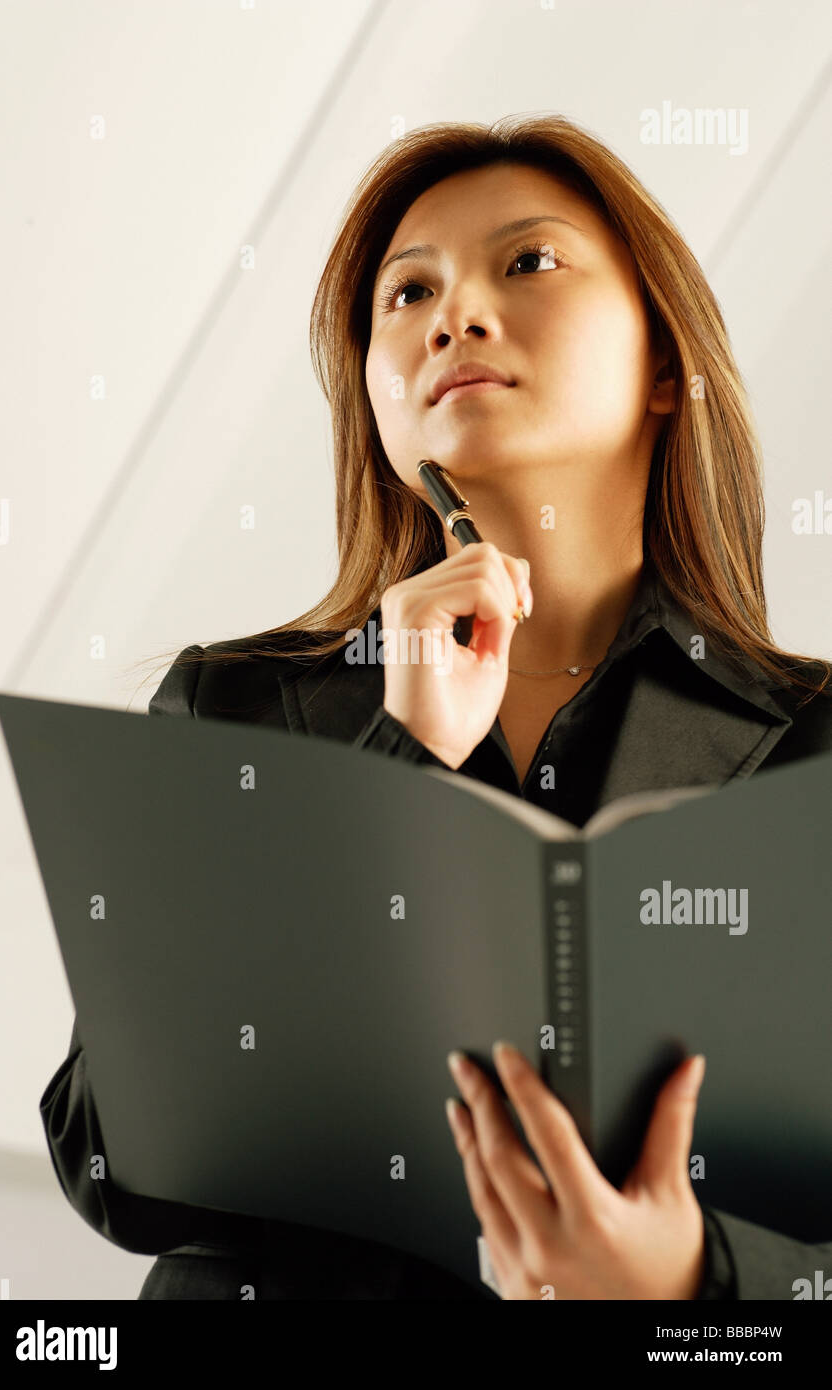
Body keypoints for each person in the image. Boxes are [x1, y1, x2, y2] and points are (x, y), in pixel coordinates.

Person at [42, 115, 832, 1299]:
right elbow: (115, 1165)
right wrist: (394, 759)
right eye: (404, 295)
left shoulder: (812, 742)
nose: (450, 317)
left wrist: (692, 1281)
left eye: (528, 262)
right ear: (372, 397)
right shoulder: (233, 706)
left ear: (666, 364)